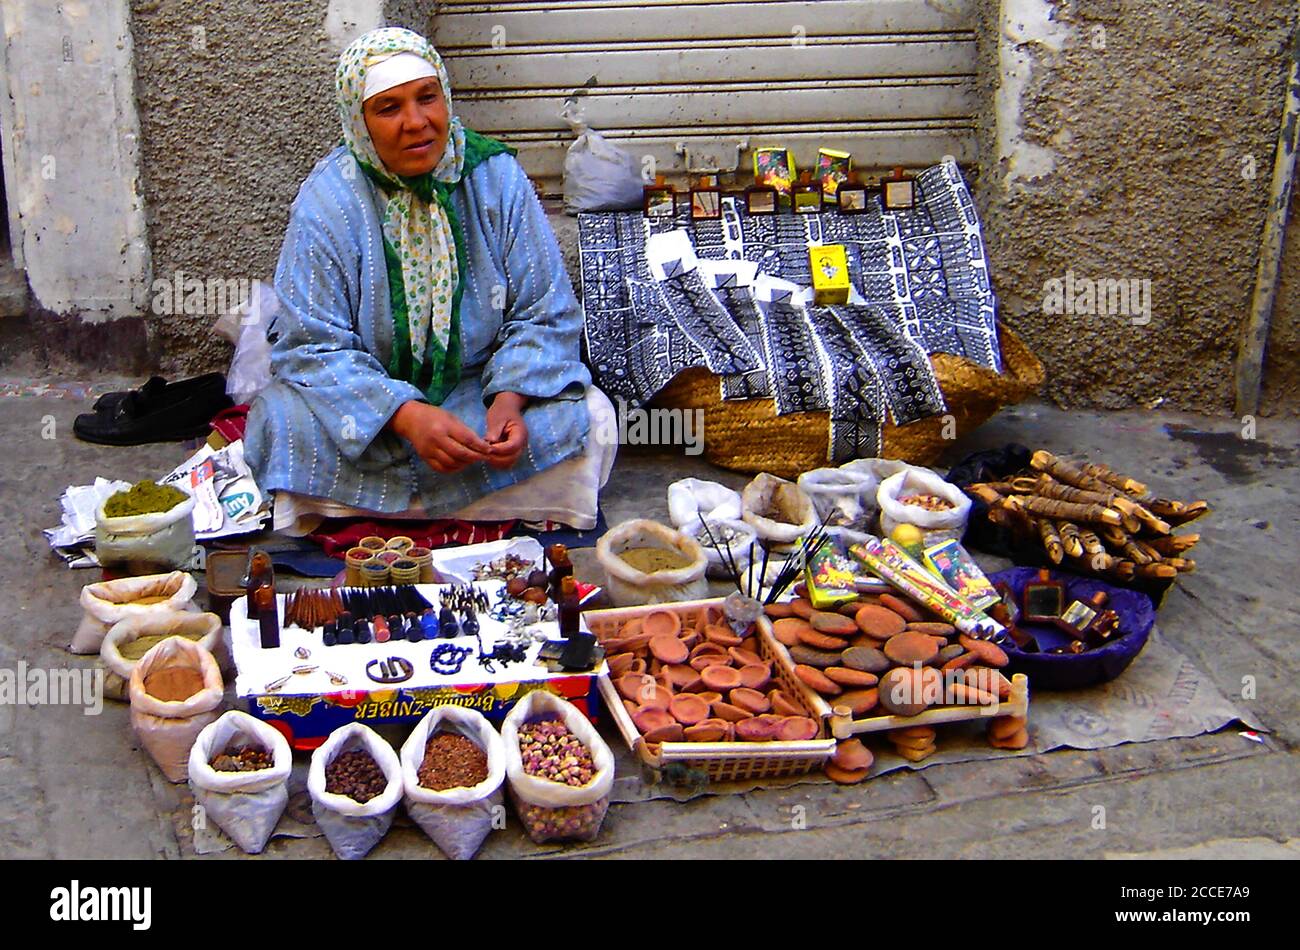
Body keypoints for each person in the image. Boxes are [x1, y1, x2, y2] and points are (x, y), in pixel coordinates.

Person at [245, 28, 614, 534]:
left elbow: (545, 309)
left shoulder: (496, 177)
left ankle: (380, 509)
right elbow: (311, 344)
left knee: (592, 417)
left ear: (446, 96)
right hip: (370, 409)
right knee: (280, 421)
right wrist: (405, 416)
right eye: (389, 108)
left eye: (427, 98)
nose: (416, 123)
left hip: (475, 392)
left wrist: (508, 401)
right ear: (360, 123)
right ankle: (490, 503)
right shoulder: (329, 202)